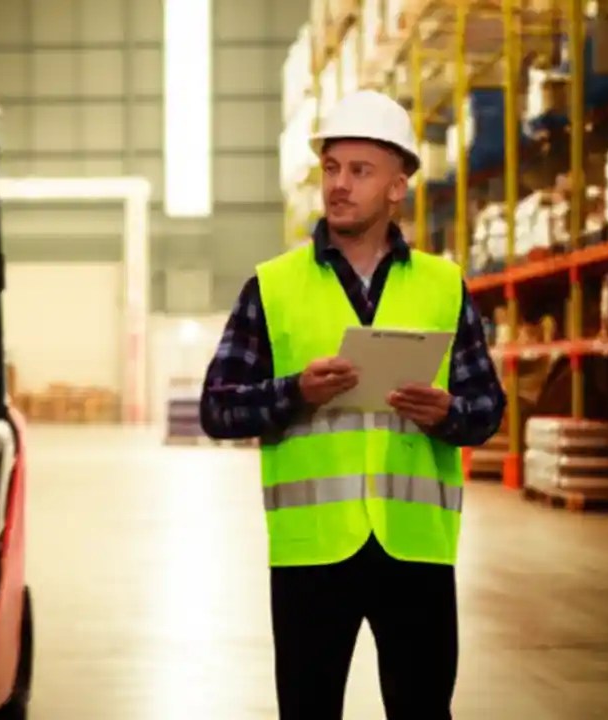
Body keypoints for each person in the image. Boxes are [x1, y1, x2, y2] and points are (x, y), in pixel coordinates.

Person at [199, 89, 506, 719]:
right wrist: (294, 393)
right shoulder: (273, 286)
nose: (339, 185)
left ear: (398, 186)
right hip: (312, 552)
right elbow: (217, 408)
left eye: (359, 171)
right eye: (332, 169)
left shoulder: (444, 285)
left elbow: (488, 409)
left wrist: (446, 411)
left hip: (415, 549)